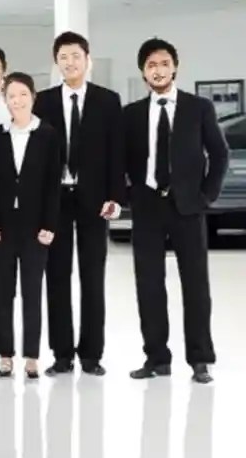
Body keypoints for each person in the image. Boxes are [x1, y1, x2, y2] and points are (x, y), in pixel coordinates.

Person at [123, 38, 227, 384]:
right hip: (147, 207)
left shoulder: (199, 108)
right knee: (149, 284)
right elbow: (120, 160)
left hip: (188, 207)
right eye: (151, 65)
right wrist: (128, 196)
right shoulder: (131, 114)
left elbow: (219, 154)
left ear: (175, 67)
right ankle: (157, 358)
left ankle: (200, 359)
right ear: (143, 71)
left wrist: (206, 196)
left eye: (164, 63)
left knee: (195, 285)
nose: (158, 70)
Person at [33, 31, 124, 377]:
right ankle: (61, 354)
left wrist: (115, 196)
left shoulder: (107, 100)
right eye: (63, 57)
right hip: (55, 201)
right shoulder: (43, 102)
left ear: (88, 60)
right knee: (56, 276)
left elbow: (116, 152)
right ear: (56, 63)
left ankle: (91, 355)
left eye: (76, 56)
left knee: (92, 278)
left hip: (94, 201)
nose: (70, 62)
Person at [0, 72, 62, 380]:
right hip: (2, 226)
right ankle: (5, 355)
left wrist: (49, 224)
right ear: (5, 100)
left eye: (23, 95)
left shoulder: (48, 135)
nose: (17, 101)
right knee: (2, 292)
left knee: (32, 292)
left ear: (33, 97)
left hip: (35, 226)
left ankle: (31, 356)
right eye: (11, 96)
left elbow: (52, 185)